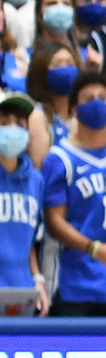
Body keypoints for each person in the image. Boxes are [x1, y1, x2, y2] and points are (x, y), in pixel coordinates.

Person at [42, 72, 106, 316]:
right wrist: (95, 249)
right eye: (89, 98)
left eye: (103, 98)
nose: (97, 102)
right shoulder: (59, 158)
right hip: (72, 285)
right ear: (75, 109)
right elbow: (54, 222)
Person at [0, 92, 45, 311]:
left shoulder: (36, 180)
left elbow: (30, 241)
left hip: (22, 291)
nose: (12, 129)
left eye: (19, 123)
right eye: (3, 123)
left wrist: (38, 280)